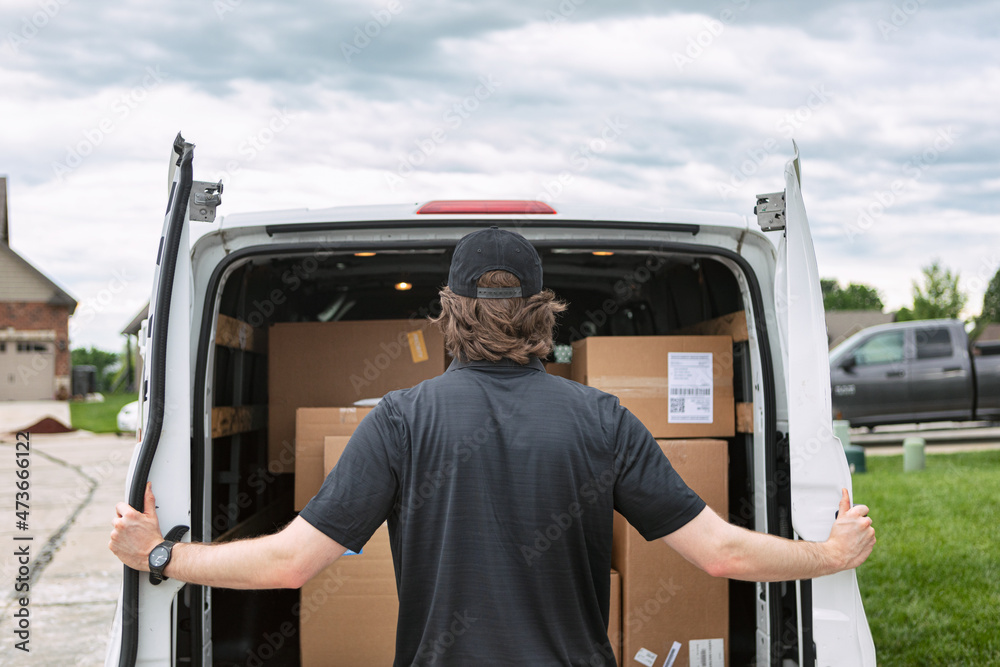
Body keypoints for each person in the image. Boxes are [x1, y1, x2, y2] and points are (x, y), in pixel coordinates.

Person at [110, 226, 875, 666]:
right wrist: (830, 553)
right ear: (542, 313)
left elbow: (288, 563)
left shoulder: (401, 420)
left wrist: (163, 553)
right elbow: (721, 554)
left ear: (449, 311)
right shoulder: (603, 419)